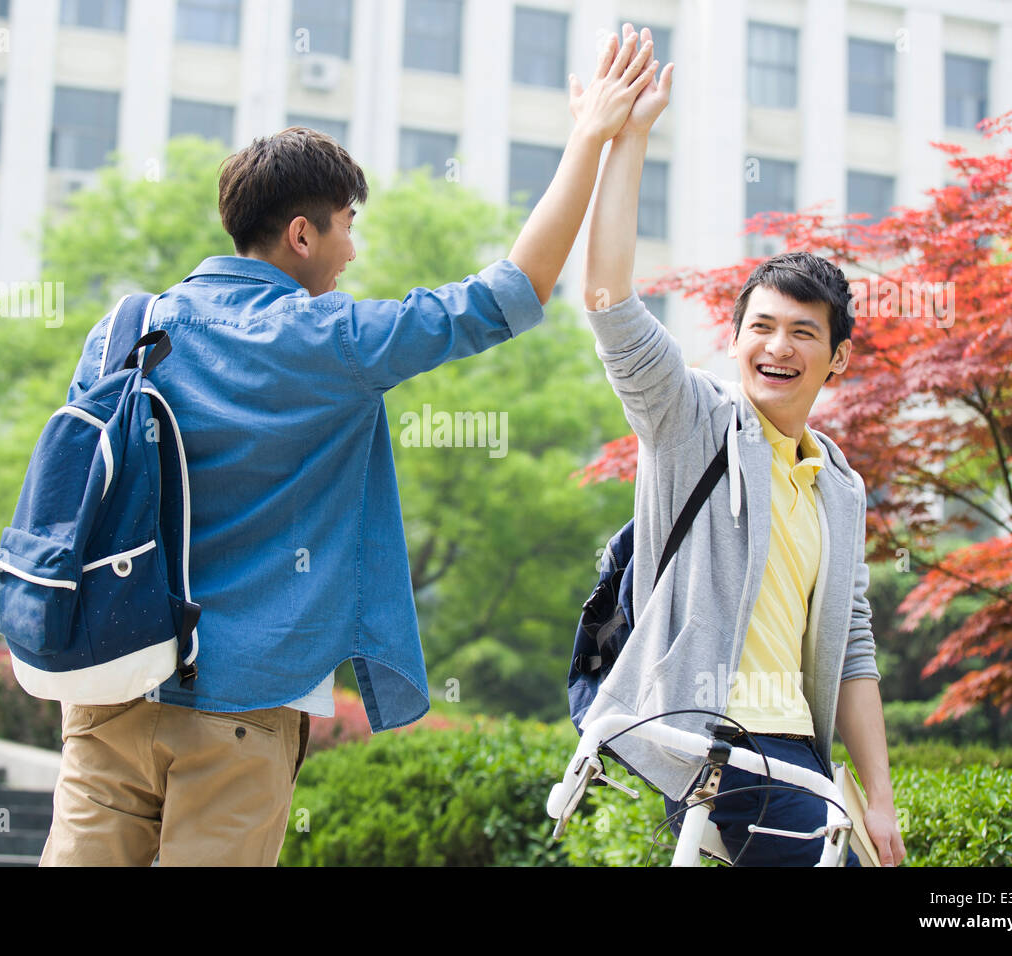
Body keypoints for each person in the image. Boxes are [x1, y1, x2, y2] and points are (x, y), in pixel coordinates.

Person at [39, 29, 661, 866]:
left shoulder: (126, 326)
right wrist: (591, 138)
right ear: (302, 234)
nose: (352, 249)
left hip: (105, 679)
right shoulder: (328, 338)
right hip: (241, 700)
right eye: (346, 227)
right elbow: (509, 293)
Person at [579, 25, 907, 867]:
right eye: (761, 325)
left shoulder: (839, 484)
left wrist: (880, 800)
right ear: (735, 341)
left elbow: (853, 643)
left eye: (804, 332)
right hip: (708, 737)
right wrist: (630, 138)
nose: (778, 346)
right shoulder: (691, 421)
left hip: (797, 750)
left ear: (835, 360)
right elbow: (611, 302)